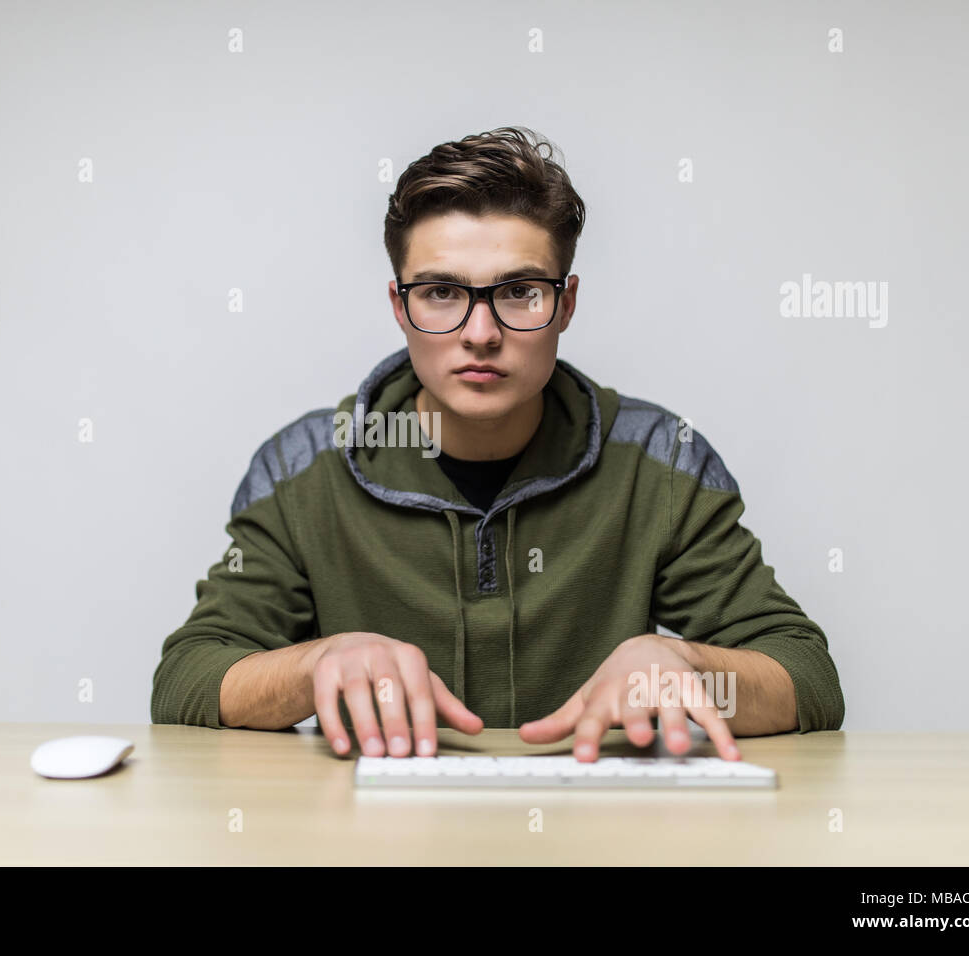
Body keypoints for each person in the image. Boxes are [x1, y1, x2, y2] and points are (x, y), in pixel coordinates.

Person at [152, 126, 844, 762]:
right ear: (401, 307)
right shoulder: (302, 468)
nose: (480, 332)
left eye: (518, 291)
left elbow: (808, 678)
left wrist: (691, 666)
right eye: (442, 292)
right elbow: (186, 679)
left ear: (565, 304)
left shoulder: (661, 460)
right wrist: (315, 665)